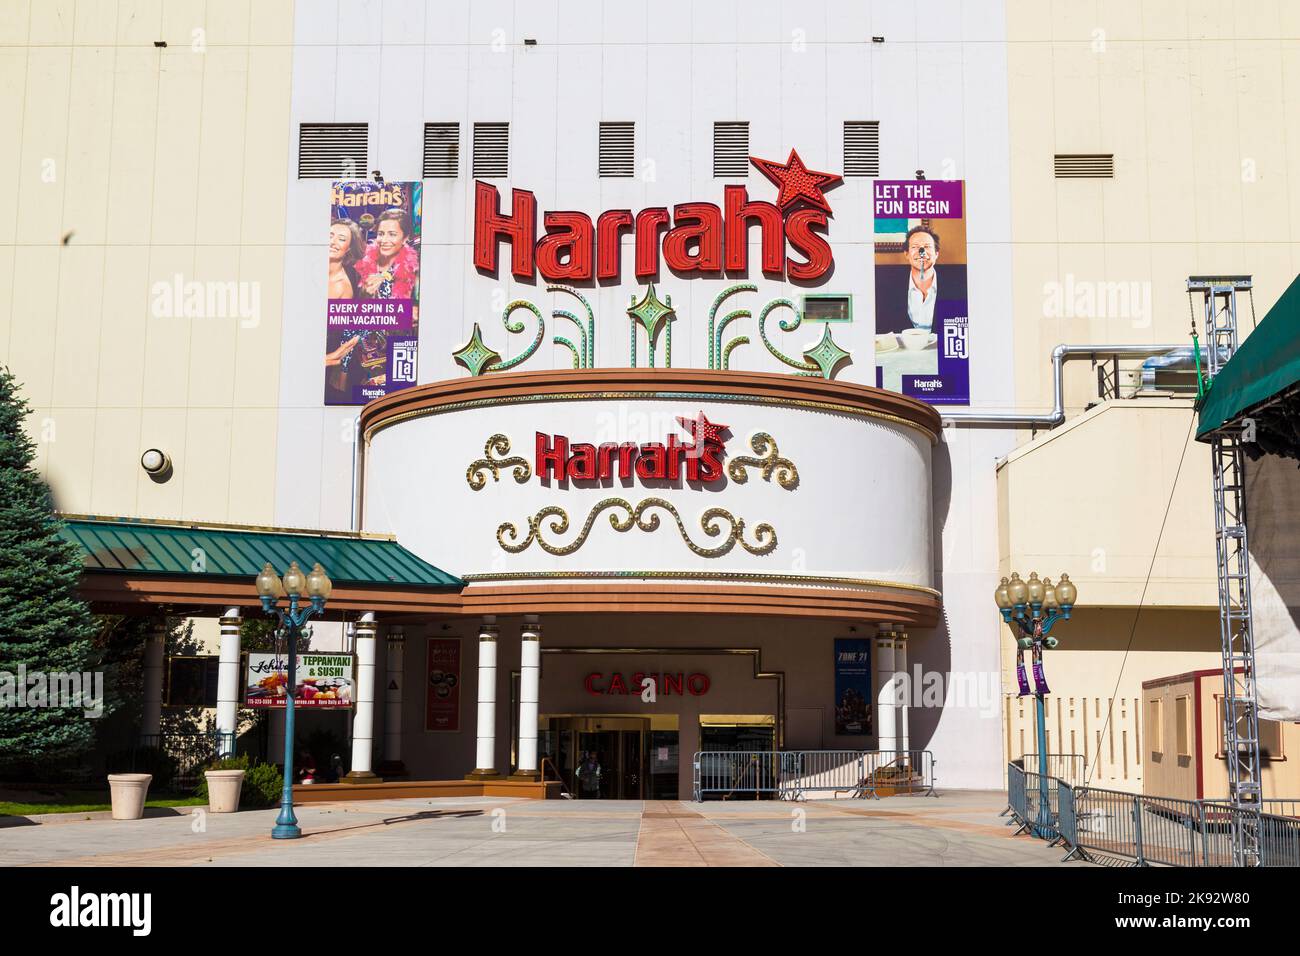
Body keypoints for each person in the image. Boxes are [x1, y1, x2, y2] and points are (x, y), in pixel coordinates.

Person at [874, 225, 967, 334]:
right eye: (915, 247)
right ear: (907, 254)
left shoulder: (957, 288)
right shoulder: (887, 289)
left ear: (936, 254)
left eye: (927, 246)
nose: (921, 251)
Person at [355, 209, 419, 300]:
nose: (384, 240)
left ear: (405, 238)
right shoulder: (363, 261)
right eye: (380, 234)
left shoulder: (414, 270)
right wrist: (365, 295)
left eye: (392, 234)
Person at [328, 218, 365, 299]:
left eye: (341, 239)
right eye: (329, 236)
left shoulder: (345, 284)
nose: (332, 242)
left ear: (349, 248)